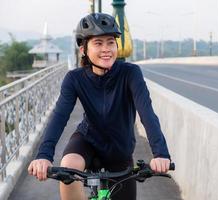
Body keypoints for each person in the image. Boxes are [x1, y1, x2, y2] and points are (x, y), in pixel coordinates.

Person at [27, 12, 171, 200]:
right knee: (69, 166)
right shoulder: (74, 79)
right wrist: (43, 156)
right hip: (87, 141)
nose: (106, 49)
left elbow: (147, 113)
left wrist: (160, 153)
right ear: (83, 49)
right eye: (98, 43)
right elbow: (60, 116)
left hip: (120, 150)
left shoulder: (130, 73)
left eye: (110, 42)